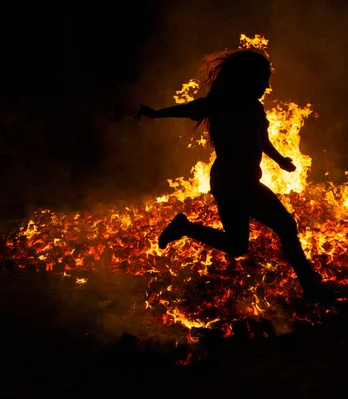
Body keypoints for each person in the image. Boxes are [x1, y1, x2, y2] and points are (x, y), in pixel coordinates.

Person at [135, 50, 330, 301]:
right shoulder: (224, 103)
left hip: (241, 181)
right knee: (286, 226)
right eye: (263, 79)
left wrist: (280, 160)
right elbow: (193, 108)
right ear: (247, 79)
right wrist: (156, 113)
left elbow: (261, 139)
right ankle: (311, 286)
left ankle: (184, 227)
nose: (267, 85)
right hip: (233, 182)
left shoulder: (254, 107)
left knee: (237, 245)